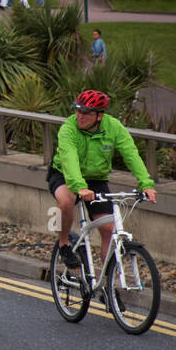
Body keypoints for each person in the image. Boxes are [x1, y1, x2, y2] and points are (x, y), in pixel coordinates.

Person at [49, 90, 156, 271]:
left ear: (99, 116)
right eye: (78, 111)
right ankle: (64, 244)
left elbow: (131, 155)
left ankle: (108, 283)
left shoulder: (113, 127)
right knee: (66, 201)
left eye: (86, 113)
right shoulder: (69, 128)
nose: (80, 116)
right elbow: (69, 160)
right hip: (65, 174)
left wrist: (146, 184)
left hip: (96, 178)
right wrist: (80, 187)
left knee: (108, 229)